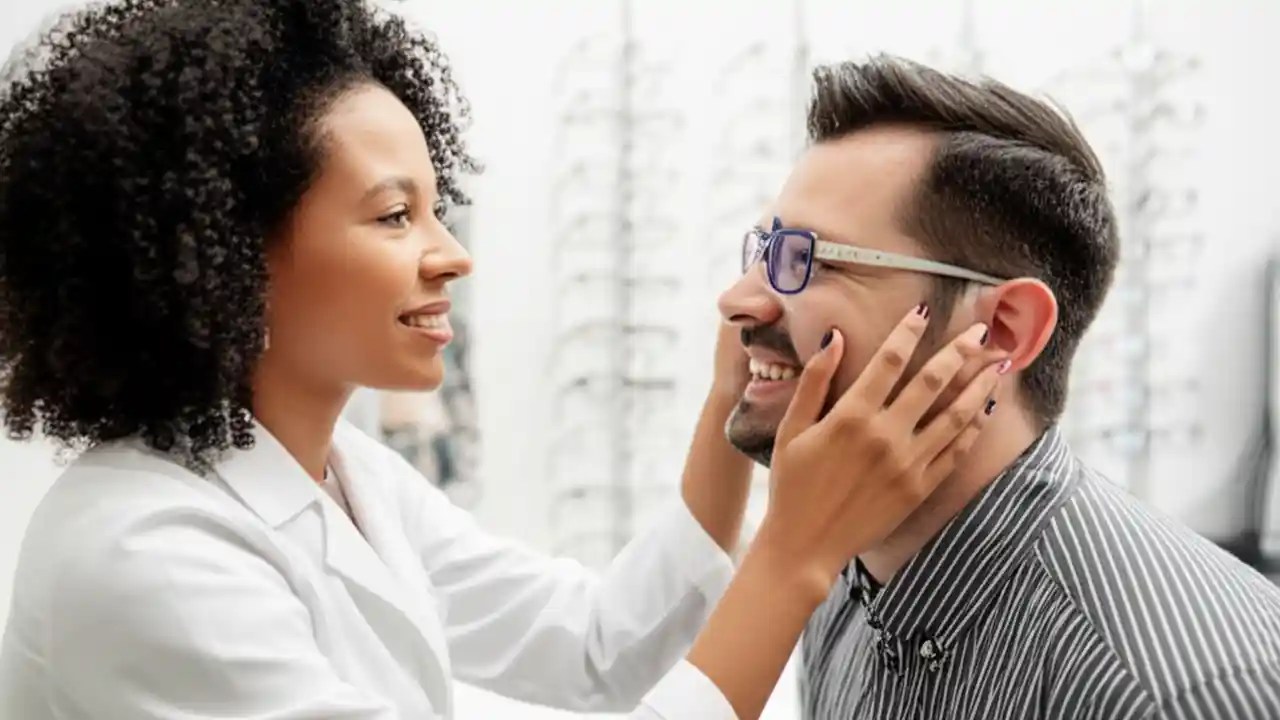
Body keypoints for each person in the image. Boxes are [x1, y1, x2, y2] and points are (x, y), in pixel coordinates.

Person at [0, 2, 1009, 719]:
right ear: (227, 254)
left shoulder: (347, 480)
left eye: (438, 209)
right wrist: (794, 554)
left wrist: (731, 397)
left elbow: (594, 647)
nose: (451, 254)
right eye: (396, 215)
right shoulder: (142, 555)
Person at [716, 54, 1280, 719]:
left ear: (1004, 330)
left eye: (809, 260)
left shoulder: (1174, 692)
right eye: (766, 251)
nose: (737, 302)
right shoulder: (841, 591)